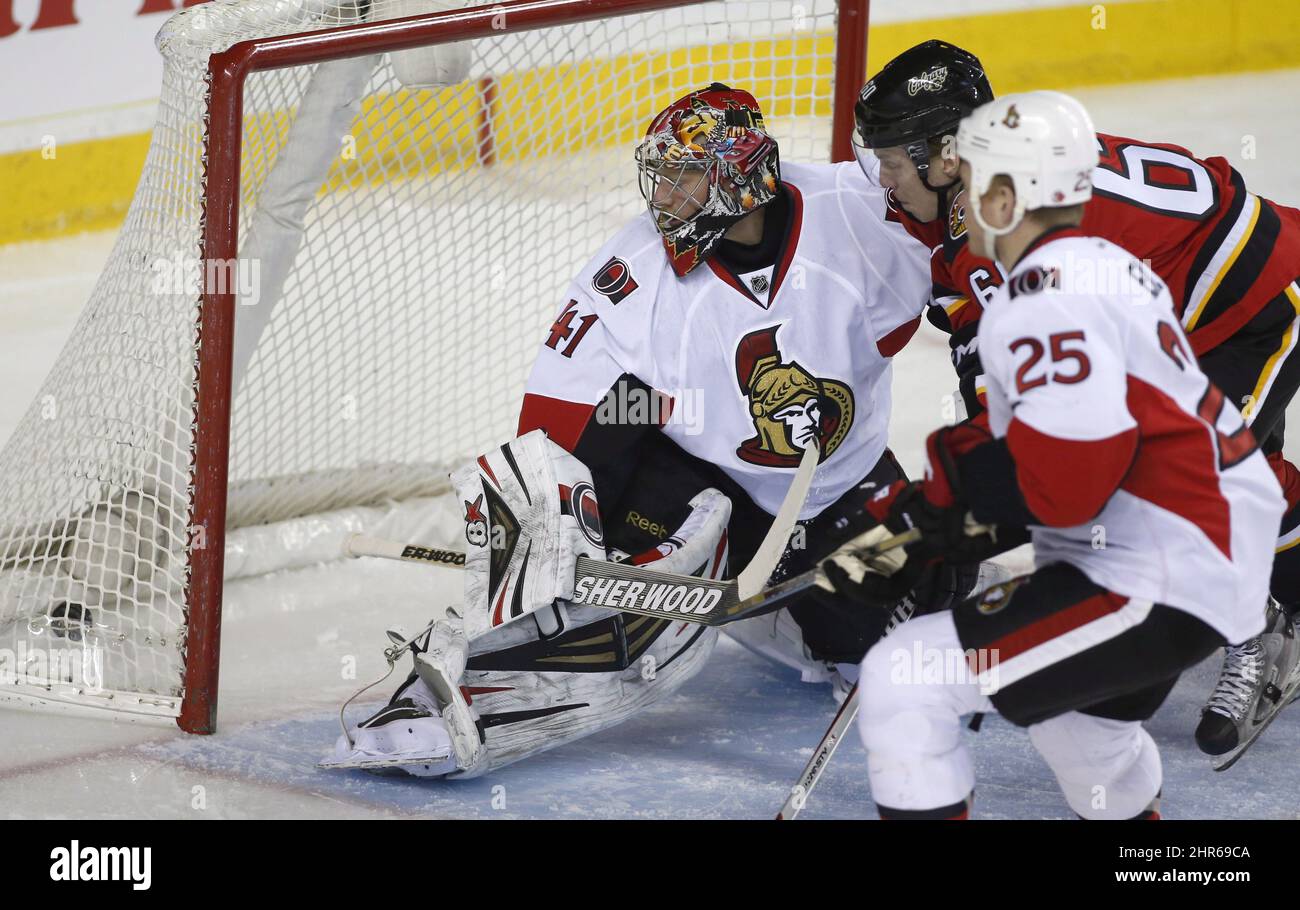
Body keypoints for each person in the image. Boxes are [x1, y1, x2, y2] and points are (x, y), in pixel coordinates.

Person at [323, 84, 945, 779]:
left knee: (875, 647)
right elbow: (552, 430)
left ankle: (774, 609)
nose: (664, 198)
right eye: (663, 177)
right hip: (701, 475)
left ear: (741, 178)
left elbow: (982, 278)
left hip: (836, 483)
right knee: (594, 524)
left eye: (684, 177)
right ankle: (466, 691)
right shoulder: (630, 275)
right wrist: (555, 538)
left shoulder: (861, 214)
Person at [823, 90, 1285, 819]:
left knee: (904, 676)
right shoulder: (1102, 262)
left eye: (971, 180)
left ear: (1008, 198)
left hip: (1160, 564)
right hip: (1197, 549)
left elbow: (1067, 482)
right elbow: (1042, 439)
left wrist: (930, 533)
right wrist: (924, 508)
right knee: (1082, 729)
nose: (959, 200)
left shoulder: (1044, 297)